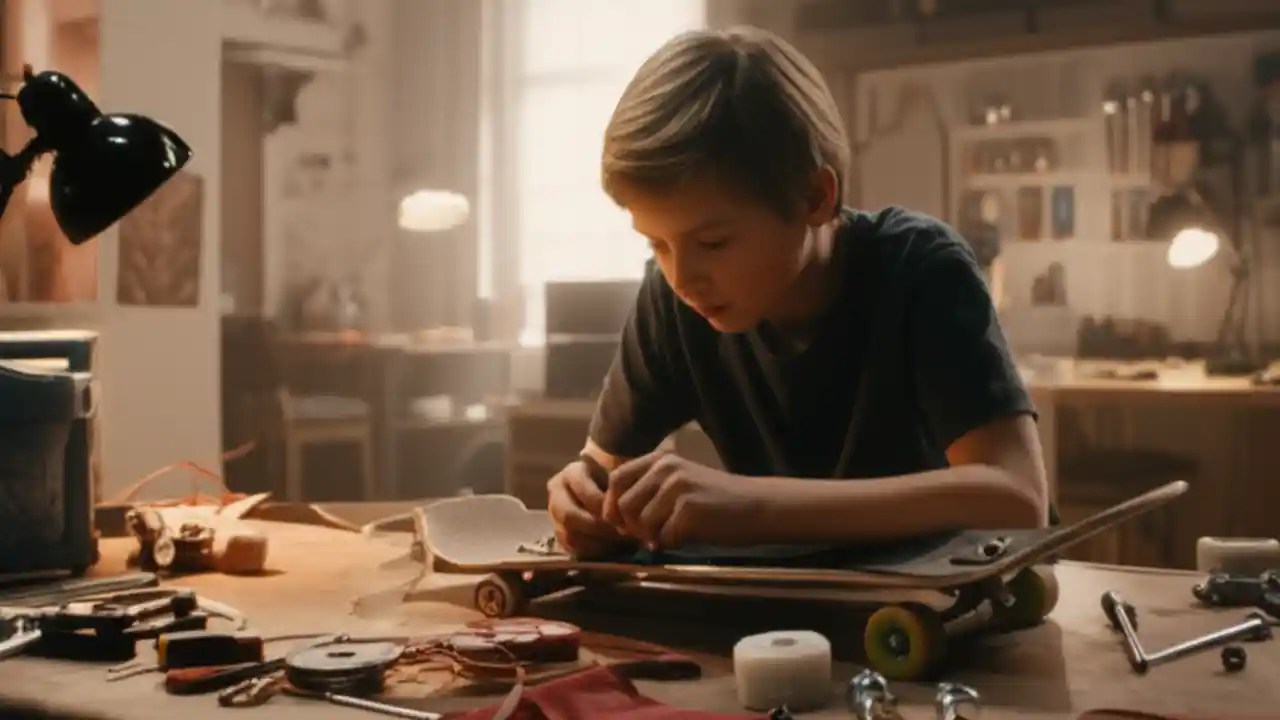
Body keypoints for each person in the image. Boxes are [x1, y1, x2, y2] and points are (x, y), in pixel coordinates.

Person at [546, 25, 1049, 559]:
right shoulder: (672, 299)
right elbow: (604, 472)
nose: (681, 277)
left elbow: (1017, 498)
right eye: (657, 245)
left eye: (713, 242)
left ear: (815, 196)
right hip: (776, 623)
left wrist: (753, 506)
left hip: (938, 612)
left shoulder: (920, 270)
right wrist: (581, 501)